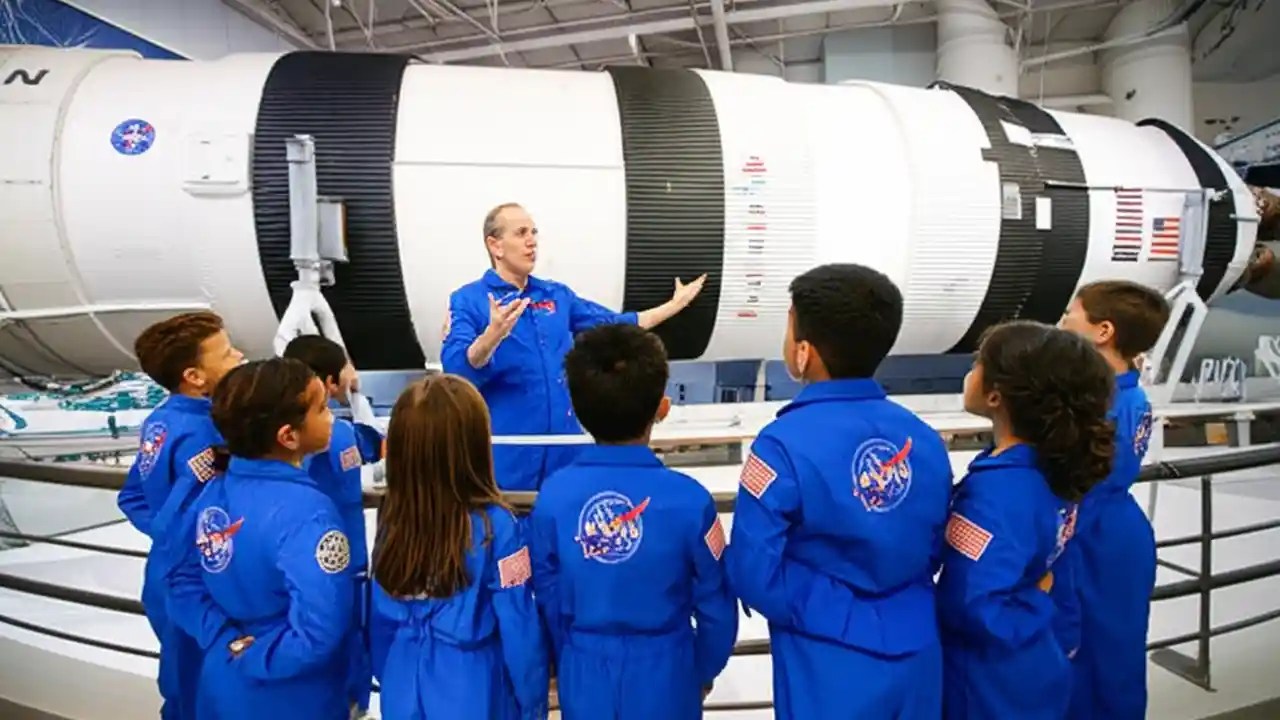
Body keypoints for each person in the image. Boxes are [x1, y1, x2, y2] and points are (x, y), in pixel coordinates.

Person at [722, 264, 954, 720]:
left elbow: (753, 569)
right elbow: (933, 548)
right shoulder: (924, 439)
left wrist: (834, 610)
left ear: (805, 353)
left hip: (825, 660)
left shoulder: (781, 447)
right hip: (918, 651)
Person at [528, 323, 737, 719]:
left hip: (583, 670)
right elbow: (716, 605)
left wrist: (568, 658)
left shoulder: (552, 498)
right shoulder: (691, 501)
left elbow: (549, 597)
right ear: (662, 407)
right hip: (668, 670)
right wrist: (702, 669)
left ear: (575, 408)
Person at [441, 201, 707, 491]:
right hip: (505, 462)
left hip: (565, 461)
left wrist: (674, 305)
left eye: (534, 232)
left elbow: (615, 323)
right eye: (520, 233)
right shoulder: (467, 300)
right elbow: (456, 370)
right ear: (496, 246)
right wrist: (491, 336)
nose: (532, 241)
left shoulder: (556, 295)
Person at [937, 320, 1115, 720]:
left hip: (987, 684)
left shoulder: (996, 494)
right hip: (1037, 666)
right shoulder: (1055, 469)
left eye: (978, 363)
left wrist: (1035, 605)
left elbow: (971, 605)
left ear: (997, 395)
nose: (970, 373)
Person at [164, 358, 355, 720]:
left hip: (222, 682)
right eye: (321, 409)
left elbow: (181, 581)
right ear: (288, 436)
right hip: (290, 693)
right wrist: (254, 656)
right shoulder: (308, 513)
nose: (331, 417)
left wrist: (223, 641)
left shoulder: (211, 494)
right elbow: (320, 629)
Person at [366, 374, 549, 720]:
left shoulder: (391, 520)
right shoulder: (499, 527)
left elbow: (378, 622)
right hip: (472, 685)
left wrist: (387, 676)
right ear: (476, 446)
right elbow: (518, 625)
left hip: (402, 679)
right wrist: (533, 702)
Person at [116, 310, 244, 720]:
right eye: (225, 353)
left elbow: (133, 498)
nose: (239, 356)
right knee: (205, 694)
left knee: (178, 687)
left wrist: (166, 540)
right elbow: (206, 513)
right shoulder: (210, 436)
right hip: (199, 583)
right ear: (195, 376)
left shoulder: (159, 423)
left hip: (164, 576)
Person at [1055, 280, 1170, 719]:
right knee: (1114, 660)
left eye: (1071, 313)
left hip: (1092, 541)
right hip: (1115, 535)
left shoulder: (1103, 408)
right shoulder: (1127, 397)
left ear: (1102, 331)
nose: (1063, 321)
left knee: (1093, 666)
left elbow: (1082, 485)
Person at [281, 334, 384, 717]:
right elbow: (377, 444)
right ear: (329, 382)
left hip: (328, 571)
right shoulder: (325, 436)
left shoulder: (333, 433)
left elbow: (373, 442)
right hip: (338, 569)